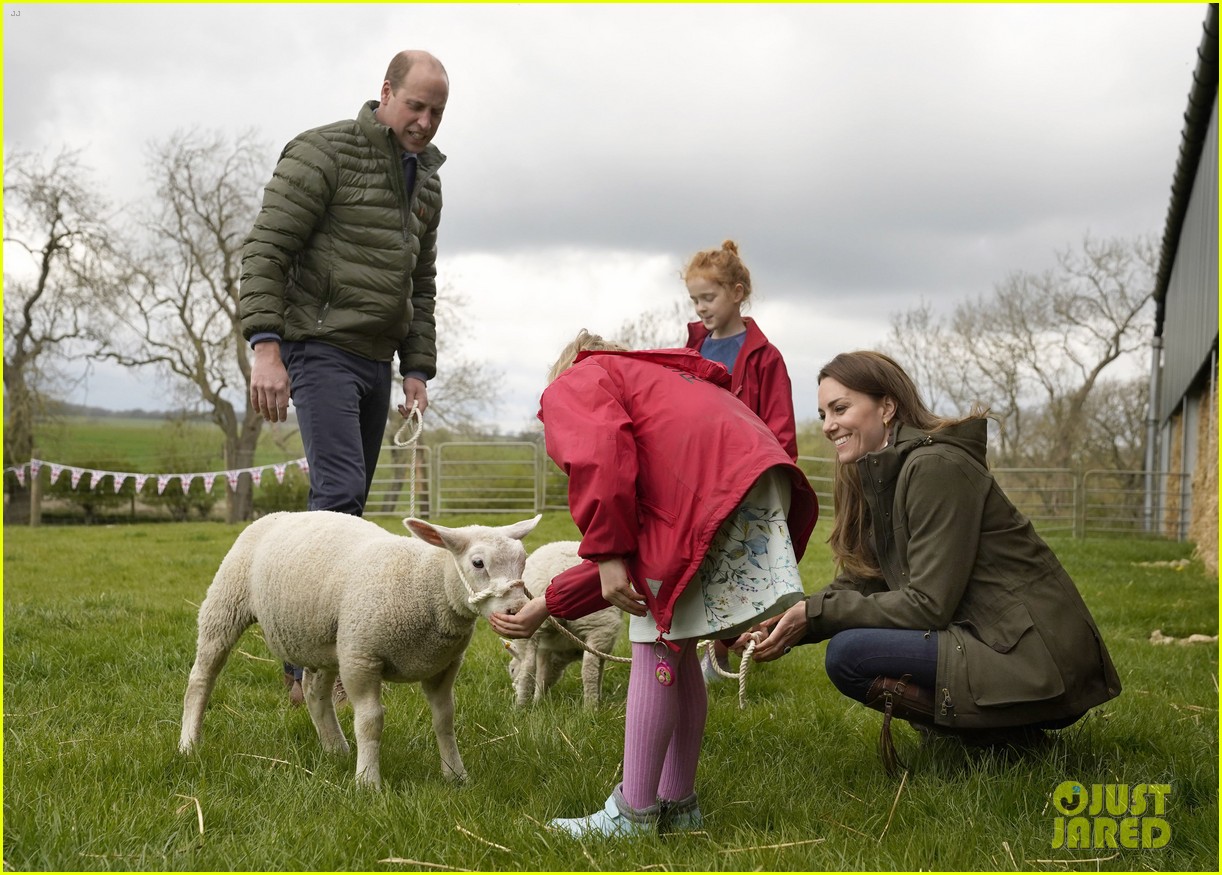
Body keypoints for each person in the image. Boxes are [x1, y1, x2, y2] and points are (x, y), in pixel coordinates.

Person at [490, 330, 818, 838]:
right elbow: (645, 553)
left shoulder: (578, 380)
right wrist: (549, 603)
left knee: (655, 639)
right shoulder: (661, 388)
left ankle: (633, 813)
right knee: (680, 642)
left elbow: (600, 453)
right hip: (755, 480)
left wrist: (608, 550)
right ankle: (678, 805)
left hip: (716, 489)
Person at [745, 350, 1122, 775]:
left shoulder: (933, 467)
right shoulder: (883, 470)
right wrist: (789, 619)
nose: (828, 424)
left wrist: (816, 616)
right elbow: (868, 578)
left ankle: (999, 737)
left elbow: (927, 603)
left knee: (850, 654)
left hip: (1037, 659)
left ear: (886, 406)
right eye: (822, 413)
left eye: (840, 407)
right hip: (990, 638)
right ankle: (995, 736)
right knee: (851, 644)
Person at [239, 49, 449, 704]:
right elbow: (268, 246)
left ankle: (318, 655)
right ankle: (311, 670)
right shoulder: (323, 153)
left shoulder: (428, 184)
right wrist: (265, 347)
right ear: (385, 92)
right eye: (415, 104)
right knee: (339, 490)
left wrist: (416, 365)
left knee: (349, 505)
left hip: (375, 357)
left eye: (437, 111)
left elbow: (420, 282)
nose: (424, 121)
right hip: (316, 345)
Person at [681, 239, 798, 682]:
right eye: (694, 300)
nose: (700, 309)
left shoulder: (765, 357)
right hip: (701, 476)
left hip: (747, 477)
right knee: (699, 562)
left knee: (741, 564)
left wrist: (773, 480)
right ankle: (704, 652)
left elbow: (781, 427)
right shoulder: (692, 349)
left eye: (707, 298)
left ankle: (742, 646)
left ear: (737, 291)